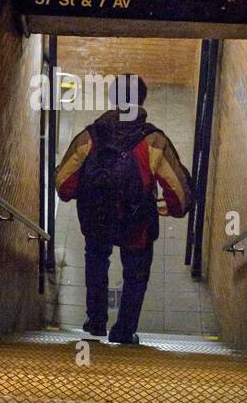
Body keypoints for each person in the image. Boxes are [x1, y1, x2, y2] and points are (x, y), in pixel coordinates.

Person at [55, 75, 192, 345]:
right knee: (135, 275)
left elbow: (63, 184)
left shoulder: (89, 136)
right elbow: (178, 191)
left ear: (113, 99)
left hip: (96, 221)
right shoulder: (154, 141)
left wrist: (77, 192)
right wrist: (173, 209)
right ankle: (124, 331)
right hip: (136, 224)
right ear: (141, 100)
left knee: (96, 264)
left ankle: (95, 322)